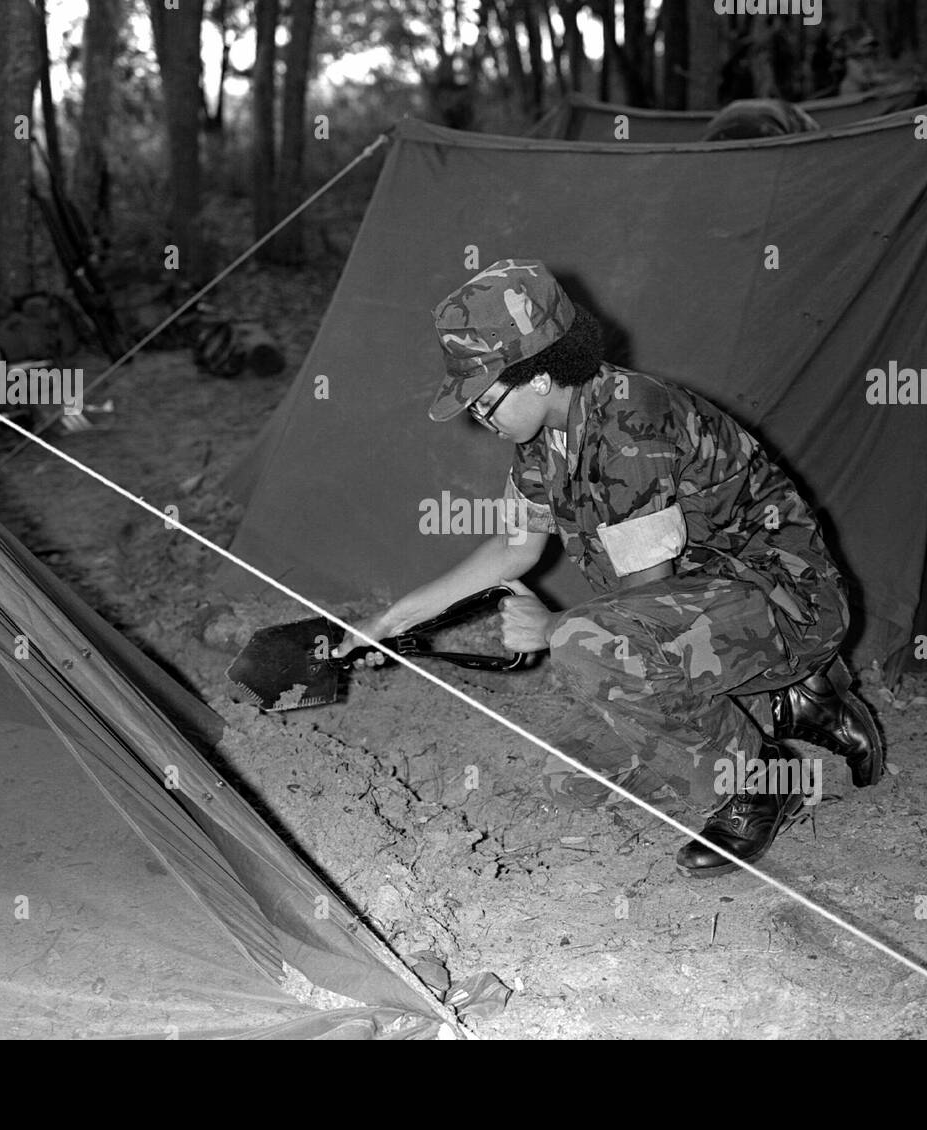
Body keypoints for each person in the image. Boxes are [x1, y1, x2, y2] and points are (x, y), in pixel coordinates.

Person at [336, 259, 884, 877]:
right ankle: (805, 712)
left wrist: (550, 630)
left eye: (485, 401)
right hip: (703, 611)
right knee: (572, 780)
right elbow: (514, 549)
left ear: (539, 376)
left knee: (585, 644)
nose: (479, 419)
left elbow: (647, 598)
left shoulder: (631, 422)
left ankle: (758, 785)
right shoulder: (544, 441)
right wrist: (388, 621)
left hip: (785, 603)